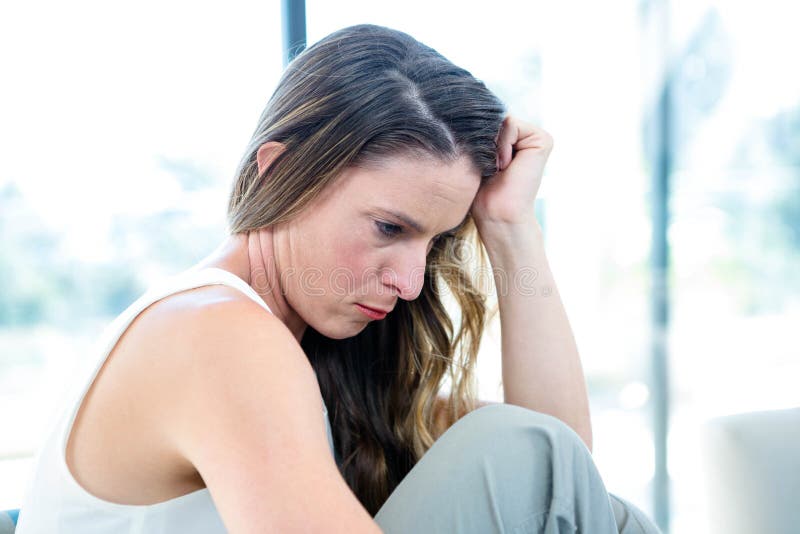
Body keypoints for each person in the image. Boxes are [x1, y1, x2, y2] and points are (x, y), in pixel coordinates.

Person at [15, 24, 662, 533]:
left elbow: (566, 483)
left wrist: (510, 225)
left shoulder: (303, 349)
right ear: (280, 173)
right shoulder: (215, 334)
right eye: (388, 228)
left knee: (608, 509)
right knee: (520, 452)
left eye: (434, 242)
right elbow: (545, 471)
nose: (412, 282)